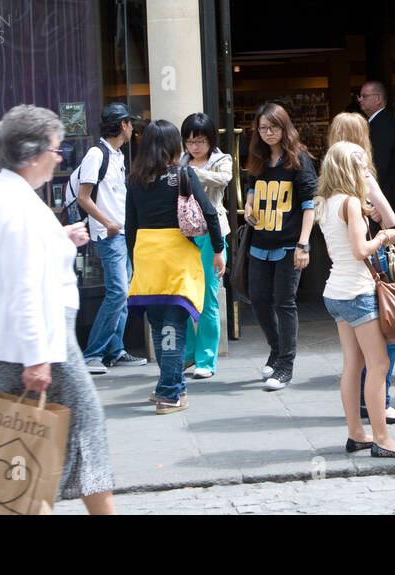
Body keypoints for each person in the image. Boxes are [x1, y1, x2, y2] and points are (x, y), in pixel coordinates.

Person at [0, 105, 115, 514]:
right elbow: (23, 286)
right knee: (86, 437)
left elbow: (20, 263)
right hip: (38, 346)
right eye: (55, 148)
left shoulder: (3, 194)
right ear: (33, 154)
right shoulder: (16, 203)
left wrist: (58, 238)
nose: (59, 156)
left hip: (9, 345)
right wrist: (37, 358)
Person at [314, 141, 395, 457]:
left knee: (352, 365)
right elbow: (361, 251)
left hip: (335, 290)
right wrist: (384, 236)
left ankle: (357, 434)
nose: (365, 172)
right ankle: (382, 439)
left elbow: (339, 249)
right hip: (357, 292)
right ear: (350, 169)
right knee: (379, 363)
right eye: (361, 166)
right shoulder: (351, 204)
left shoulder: (324, 202)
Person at [125, 120, 225, 414]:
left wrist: (137, 263)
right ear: (172, 145)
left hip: (147, 257)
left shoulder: (135, 179)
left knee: (160, 325)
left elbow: (131, 225)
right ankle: (170, 392)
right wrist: (218, 250)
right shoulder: (183, 174)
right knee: (173, 326)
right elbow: (210, 214)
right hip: (177, 259)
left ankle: (171, 386)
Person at [243, 102, 317, 391]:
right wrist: (249, 205)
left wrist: (304, 245)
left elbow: (310, 205)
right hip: (259, 242)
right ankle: (276, 349)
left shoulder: (298, 159)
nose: (268, 133)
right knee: (259, 300)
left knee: (284, 303)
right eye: (262, 128)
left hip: (289, 244)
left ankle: (286, 364)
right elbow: (251, 186)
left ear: (284, 127)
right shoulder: (258, 158)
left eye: (273, 127)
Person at [79, 102, 146, 374]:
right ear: (122, 125)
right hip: (110, 235)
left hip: (121, 234)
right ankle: (92, 354)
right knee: (118, 291)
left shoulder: (117, 156)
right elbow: (84, 197)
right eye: (130, 123)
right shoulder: (97, 155)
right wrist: (108, 223)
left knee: (123, 292)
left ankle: (115, 350)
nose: (133, 128)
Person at [180, 112, 233, 380]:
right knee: (184, 296)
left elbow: (223, 179)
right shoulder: (181, 161)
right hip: (183, 235)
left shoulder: (222, 159)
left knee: (208, 297)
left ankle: (206, 359)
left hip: (212, 235)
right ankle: (188, 353)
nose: (195, 147)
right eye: (190, 142)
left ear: (210, 140)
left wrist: (191, 173)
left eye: (200, 141)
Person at [358, 80, 395, 216]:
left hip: (386, 195)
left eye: (364, 96)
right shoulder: (379, 121)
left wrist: (373, 198)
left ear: (377, 98)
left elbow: (379, 164)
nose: (360, 99)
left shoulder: (383, 123)